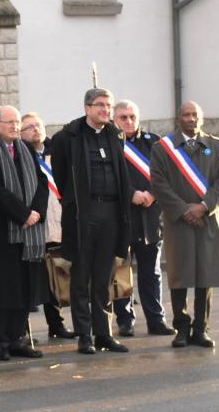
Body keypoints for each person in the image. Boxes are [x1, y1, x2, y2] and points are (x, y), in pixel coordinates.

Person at [51, 88, 135, 355]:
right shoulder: (67, 137)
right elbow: (61, 175)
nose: (105, 111)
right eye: (100, 105)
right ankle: (84, 335)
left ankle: (104, 333)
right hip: (83, 215)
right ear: (87, 107)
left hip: (111, 213)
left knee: (104, 276)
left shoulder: (115, 134)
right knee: (81, 277)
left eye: (108, 106)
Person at [150, 102, 219, 349]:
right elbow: (158, 182)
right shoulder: (162, 149)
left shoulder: (218, 146)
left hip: (207, 219)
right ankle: (181, 328)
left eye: (195, 114)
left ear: (202, 118)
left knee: (205, 274)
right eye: (186, 115)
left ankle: (201, 328)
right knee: (180, 275)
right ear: (178, 118)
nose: (191, 119)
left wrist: (204, 206)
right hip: (178, 221)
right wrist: (183, 209)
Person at [0, 106, 49, 361]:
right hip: (0, 232)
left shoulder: (25, 148)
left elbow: (42, 183)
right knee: (3, 289)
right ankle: (0, 341)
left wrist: (36, 211)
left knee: (24, 288)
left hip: (28, 233)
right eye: (10, 122)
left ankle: (18, 338)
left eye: (18, 122)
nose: (15, 127)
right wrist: (22, 214)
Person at [111, 100, 174, 338]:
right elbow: (107, 179)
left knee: (152, 273)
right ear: (114, 119)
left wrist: (152, 194)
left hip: (150, 217)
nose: (128, 121)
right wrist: (131, 195)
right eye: (123, 117)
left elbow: (166, 175)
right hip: (122, 217)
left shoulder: (154, 143)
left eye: (132, 117)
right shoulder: (109, 144)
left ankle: (156, 320)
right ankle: (125, 320)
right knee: (121, 272)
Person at [19, 112, 74, 339]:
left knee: (58, 279)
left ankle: (57, 325)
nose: (35, 129)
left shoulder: (58, 153)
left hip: (60, 223)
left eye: (38, 125)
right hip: (34, 227)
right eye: (29, 127)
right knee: (33, 280)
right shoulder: (20, 156)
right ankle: (23, 330)